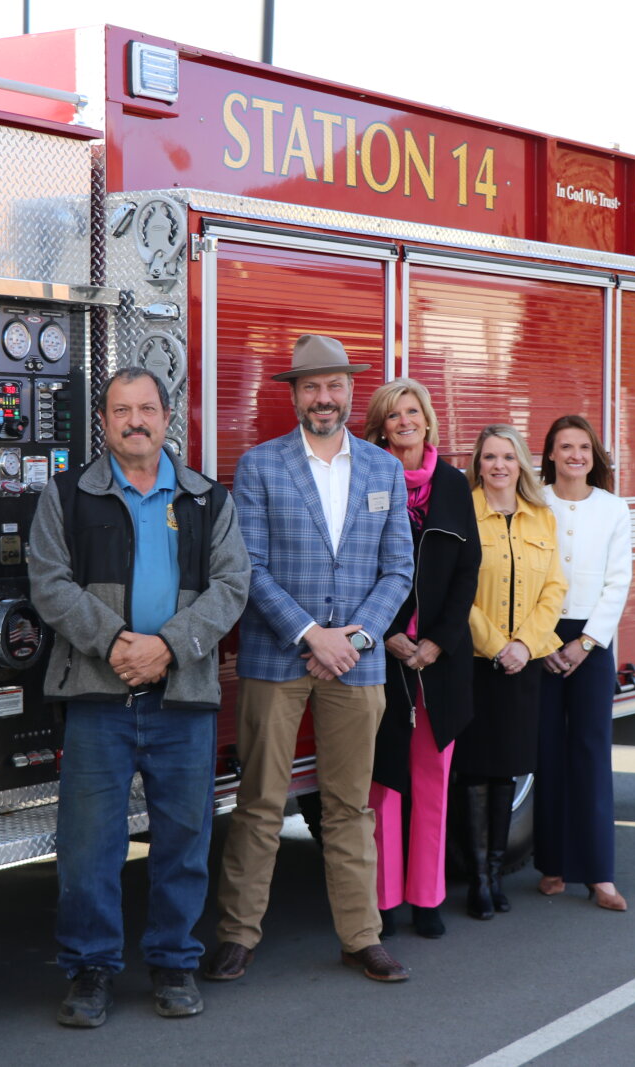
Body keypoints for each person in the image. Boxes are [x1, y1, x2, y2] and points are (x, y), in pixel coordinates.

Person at [28, 367, 250, 1027]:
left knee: (183, 840)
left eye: (146, 408)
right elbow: (48, 582)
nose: (135, 421)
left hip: (181, 694)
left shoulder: (208, 498)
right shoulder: (66, 496)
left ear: (167, 416)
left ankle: (175, 963)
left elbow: (233, 584)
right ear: (103, 422)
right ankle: (90, 970)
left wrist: (169, 646)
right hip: (100, 696)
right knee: (88, 846)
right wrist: (119, 640)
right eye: (121, 410)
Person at [206, 334, 415, 983]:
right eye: (310, 386)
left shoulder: (383, 469)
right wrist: (309, 633)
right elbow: (250, 567)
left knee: (350, 804)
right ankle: (238, 934)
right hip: (278, 656)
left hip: (358, 663)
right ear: (293, 394)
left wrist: (352, 640)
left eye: (333, 385)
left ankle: (361, 935)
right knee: (260, 801)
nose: (323, 397)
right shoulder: (262, 465)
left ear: (350, 391)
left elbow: (399, 568)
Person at [360, 379, 480, 940]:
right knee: (382, 782)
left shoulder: (455, 484)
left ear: (427, 420)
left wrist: (439, 640)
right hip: (380, 657)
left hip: (438, 661)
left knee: (433, 780)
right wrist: (382, 634)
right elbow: (354, 566)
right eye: (393, 414)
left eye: (412, 411)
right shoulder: (366, 476)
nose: (404, 421)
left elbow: (467, 572)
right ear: (380, 426)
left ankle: (427, 899)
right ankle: (383, 903)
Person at [455, 425, 566, 920]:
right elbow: (457, 593)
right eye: (489, 457)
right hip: (478, 663)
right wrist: (499, 646)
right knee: (475, 772)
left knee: (509, 772)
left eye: (508, 457)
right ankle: (478, 881)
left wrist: (523, 645)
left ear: (521, 463)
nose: (499, 466)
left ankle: (496, 872)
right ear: (478, 464)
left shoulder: (543, 518)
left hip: (525, 663)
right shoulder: (462, 513)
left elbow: (555, 589)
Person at [535, 414, 633, 911]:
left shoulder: (614, 509)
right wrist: (545, 640)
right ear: (549, 454)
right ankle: (552, 865)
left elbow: (618, 582)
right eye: (565, 447)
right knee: (547, 752)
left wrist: (586, 642)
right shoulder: (535, 502)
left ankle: (600, 874)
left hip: (592, 642)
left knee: (592, 754)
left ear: (593, 456)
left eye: (583, 447)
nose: (575, 455)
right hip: (541, 638)